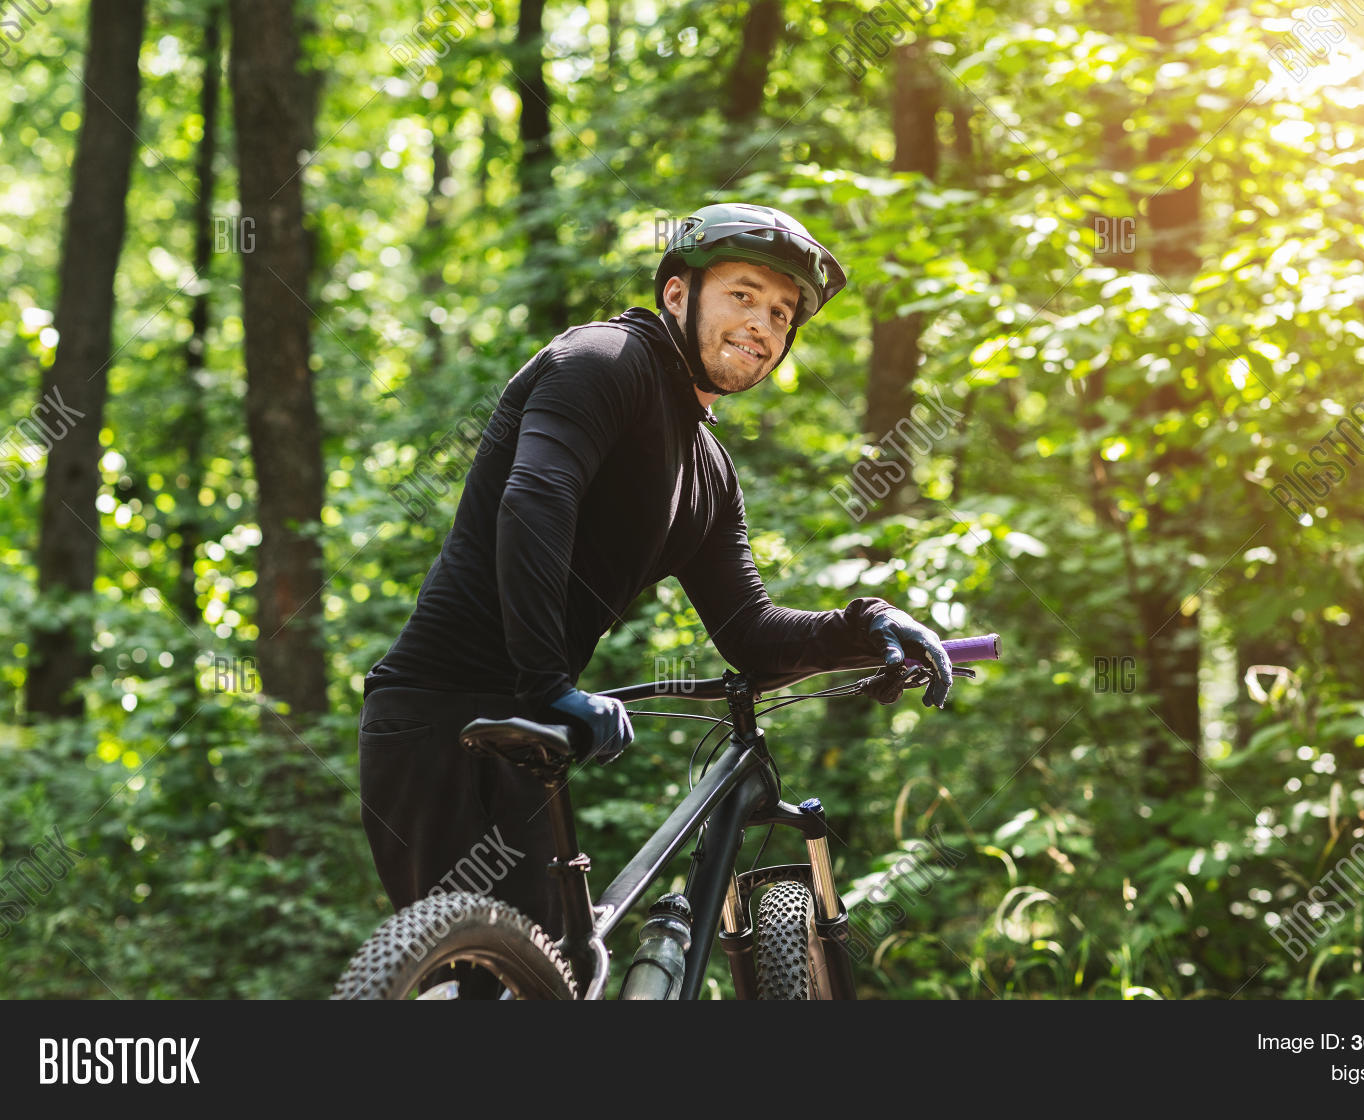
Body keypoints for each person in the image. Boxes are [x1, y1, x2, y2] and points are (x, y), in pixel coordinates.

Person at [356, 201, 954, 959]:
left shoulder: (708, 471)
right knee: (467, 976)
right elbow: (534, 500)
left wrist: (865, 629)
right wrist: (550, 685)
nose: (763, 326)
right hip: (441, 719)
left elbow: (749, 632)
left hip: (528, 732)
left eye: (780, 312)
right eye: (742, 295)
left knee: (559, 970)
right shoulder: (603, 362)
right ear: (678, 292)